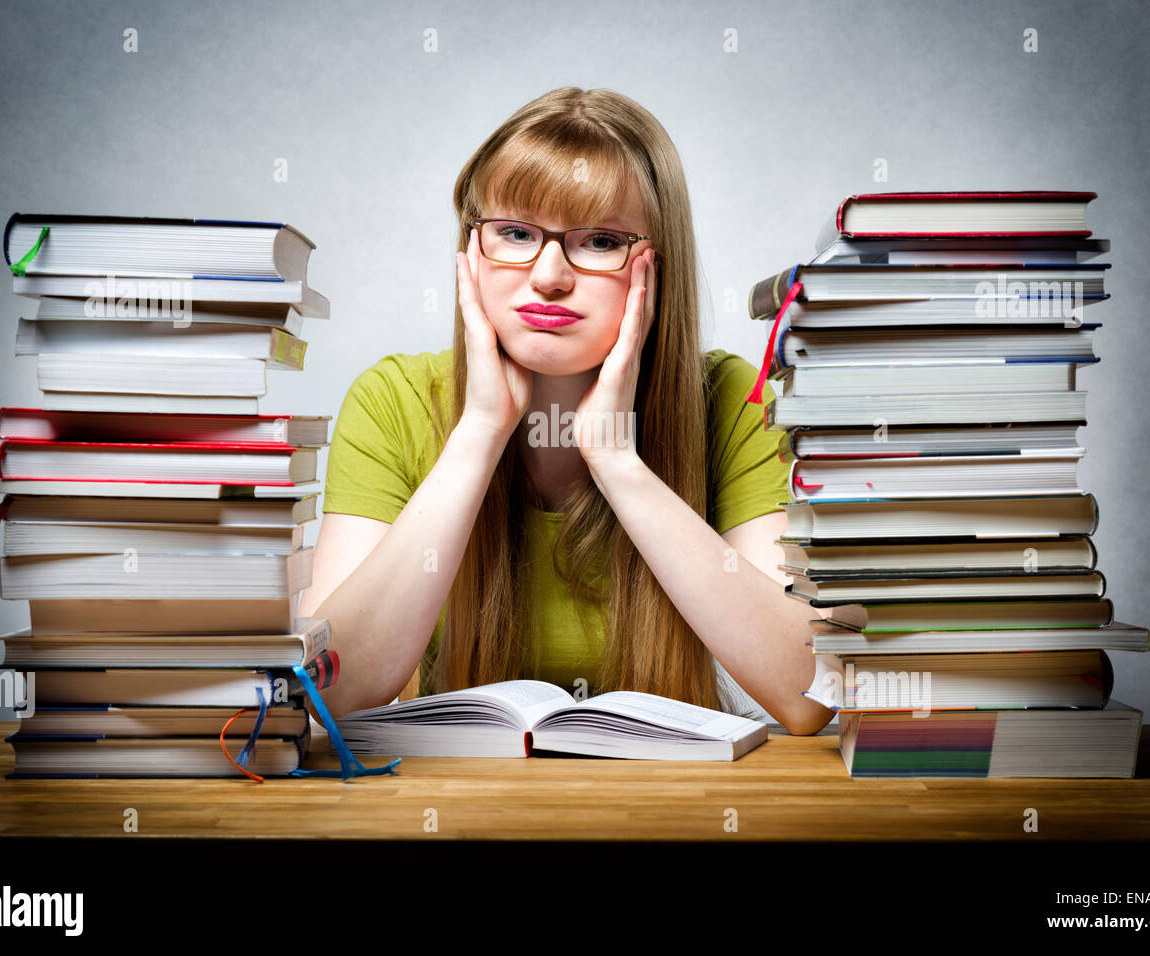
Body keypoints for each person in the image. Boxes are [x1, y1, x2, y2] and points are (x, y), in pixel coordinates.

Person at [298, 87, 834, 735]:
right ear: (470, 253)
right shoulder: (393, 400)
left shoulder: (728, 400)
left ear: (658, 265)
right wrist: (478, 434)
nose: (549, 275)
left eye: (600, 240)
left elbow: (808, 692)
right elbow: (329, 689)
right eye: (516, 233)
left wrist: (617, 460)